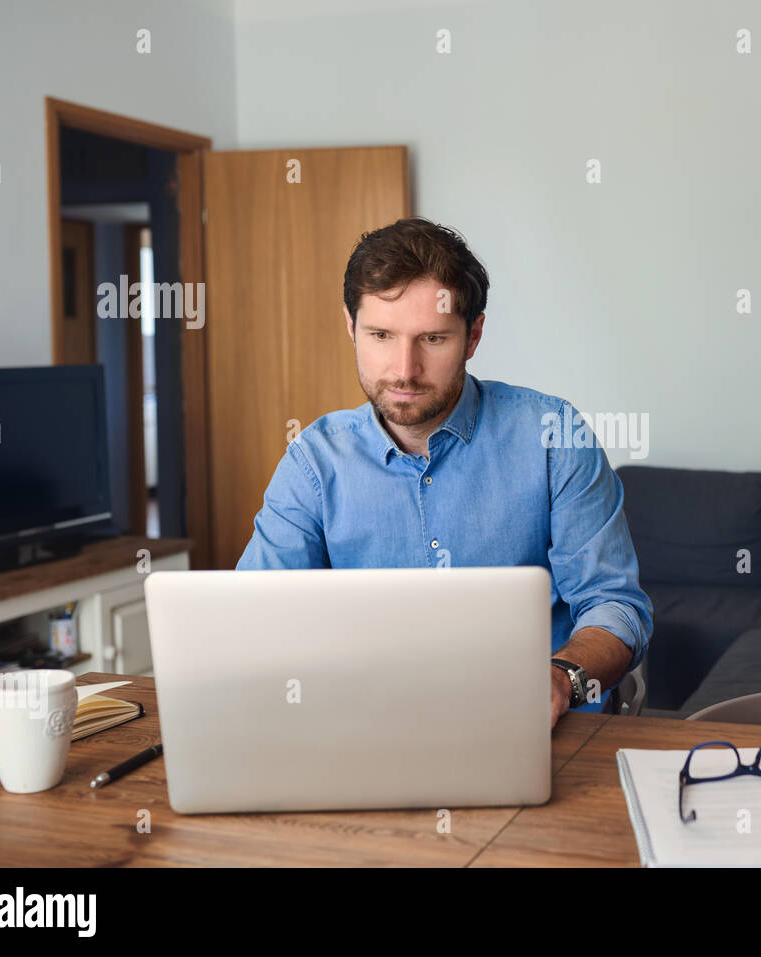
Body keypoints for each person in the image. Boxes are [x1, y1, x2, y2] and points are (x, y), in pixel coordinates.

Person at [236, 217, 653, 728]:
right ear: (351, 327)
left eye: (432, 339)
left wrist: (561, 677)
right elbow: (255, 619)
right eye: (381, 336)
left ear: (473, 335)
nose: (405, 369)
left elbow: (614, 605)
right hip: (365, 723)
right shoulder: (314, 463)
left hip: (539, 726)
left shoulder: (553, 436)